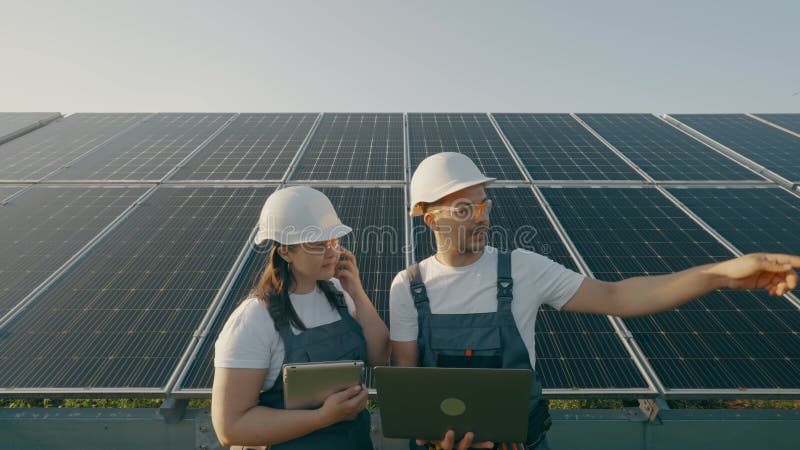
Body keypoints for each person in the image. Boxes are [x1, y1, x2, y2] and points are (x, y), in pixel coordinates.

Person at [389, 152, 800, 450]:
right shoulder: (408, 286)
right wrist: (438, 441)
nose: (481, 216)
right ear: (432, 219)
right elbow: (410, 391)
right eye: (465, 208)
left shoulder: (522, 268)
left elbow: (618, 296)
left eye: (483, 204)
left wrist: (721, 274)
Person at [212, 186, 390, 449]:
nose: (332, 253)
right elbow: (231, 427)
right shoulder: (253, 320)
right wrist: (322, 417)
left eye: (334, 241)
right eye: (319, 245)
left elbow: (381, 357)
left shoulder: (341, 294)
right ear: (285, 252)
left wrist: (357, 291)